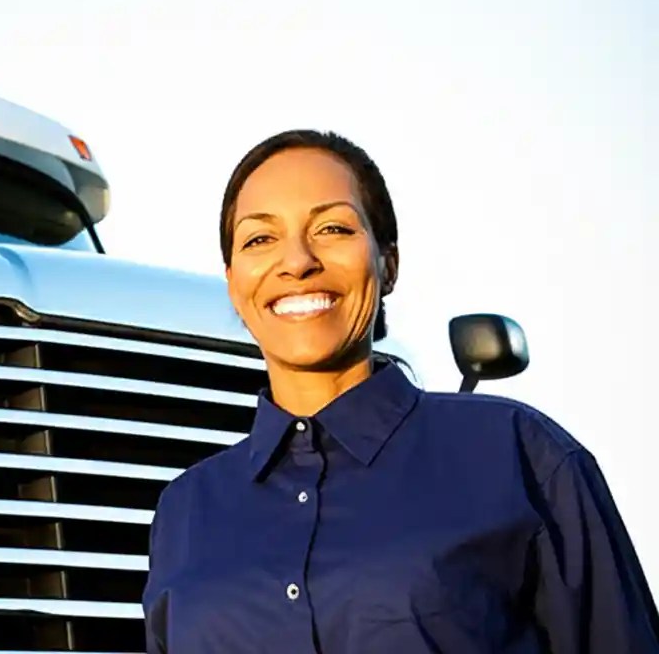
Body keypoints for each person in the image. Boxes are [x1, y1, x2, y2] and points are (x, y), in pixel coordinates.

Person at [141, 129, 659, 653]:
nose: (296, 262)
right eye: (259, 239)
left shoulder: (520, 455)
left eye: (332, 228)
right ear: (233, 280)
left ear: (388, 263)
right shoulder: (184, 513)